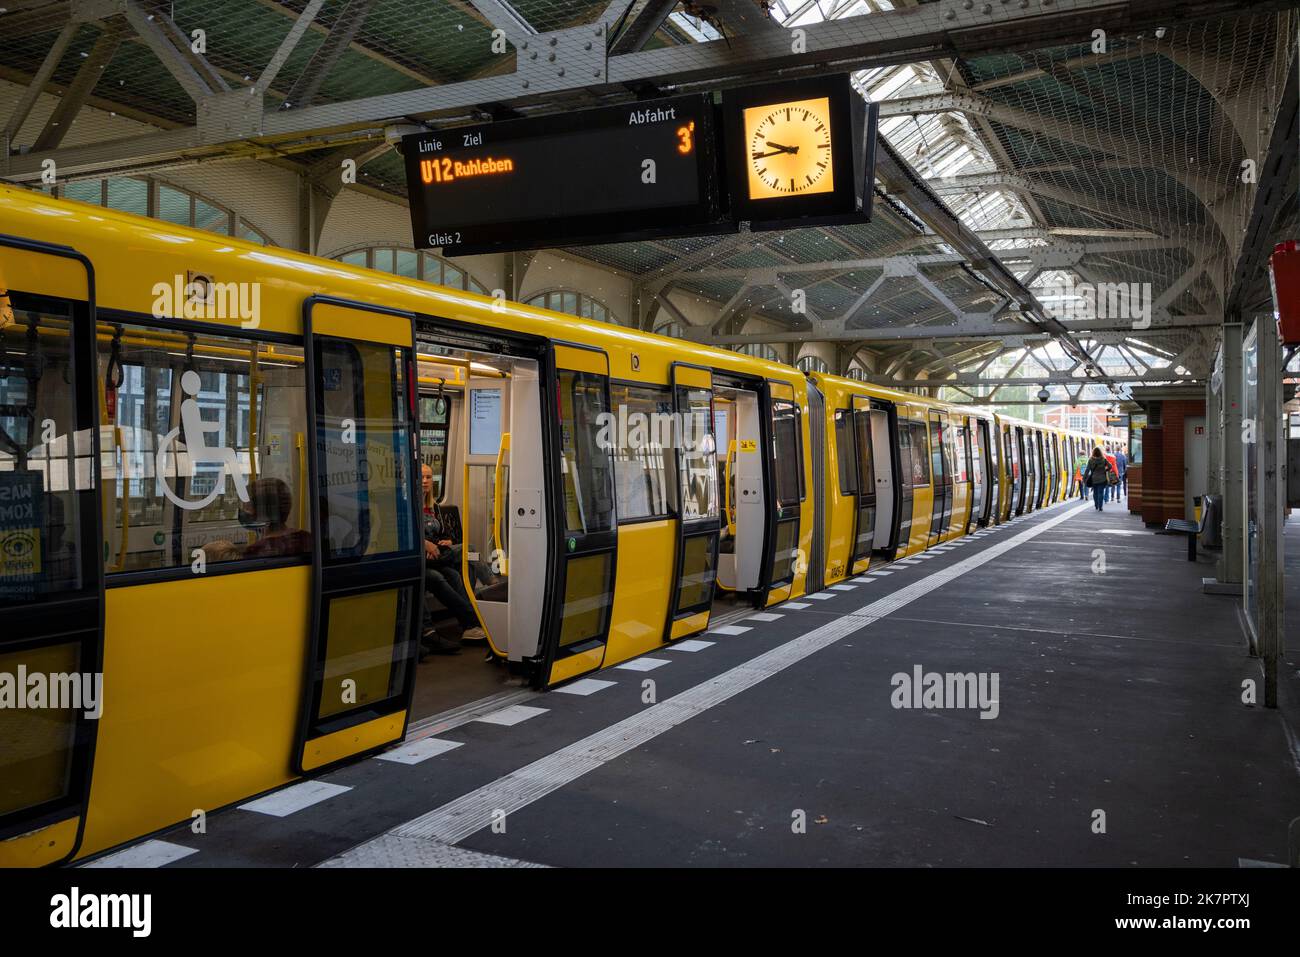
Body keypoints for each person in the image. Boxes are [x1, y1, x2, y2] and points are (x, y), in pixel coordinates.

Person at [420, 463, 486, 656]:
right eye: (421, 477)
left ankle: (470, 626)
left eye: (429, 477)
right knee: (470, 552)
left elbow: (445, 534)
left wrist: (447, 541)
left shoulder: (435, 508)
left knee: (456, 574)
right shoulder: (408, 505)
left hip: (439, 556)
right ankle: (491, 588)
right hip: (424, 558)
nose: (425, 481)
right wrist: (426, 544)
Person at [1082, 447, 1114, 512]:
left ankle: (1096, 505)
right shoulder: (1103, 459)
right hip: (1102, 479)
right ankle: (1100, 507)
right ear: (1100, 452)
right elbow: (1110, 466)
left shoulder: (1091, 460)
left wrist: (1084, 478)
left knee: (1095, 493)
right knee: (1101, 492)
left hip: (1094, 479)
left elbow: (1087, 470)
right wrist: (1105, 470)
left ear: (1093, 452)